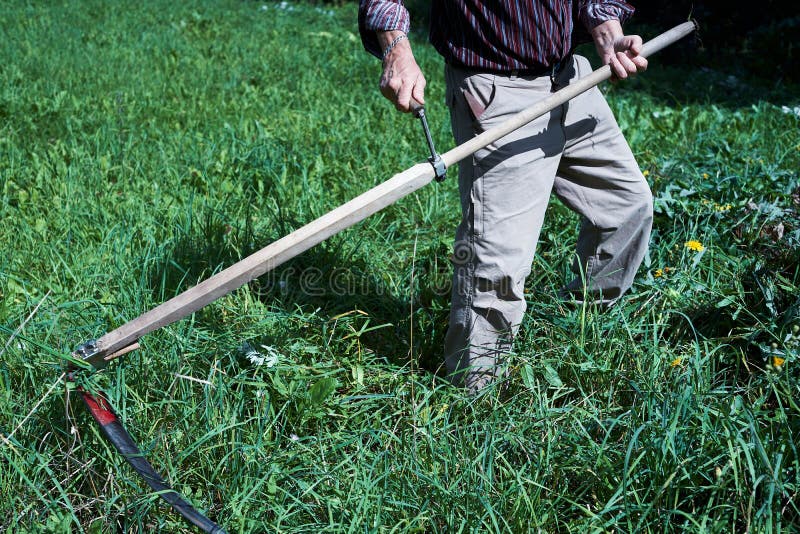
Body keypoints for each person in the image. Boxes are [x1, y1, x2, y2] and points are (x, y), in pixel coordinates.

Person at [358, 1, 653, 393]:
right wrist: (396, 48)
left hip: (570, 78)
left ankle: (578, 330)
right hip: (499, 92)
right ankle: (473, 402)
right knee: (496, 266)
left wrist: (607, 28)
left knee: (627, 207)